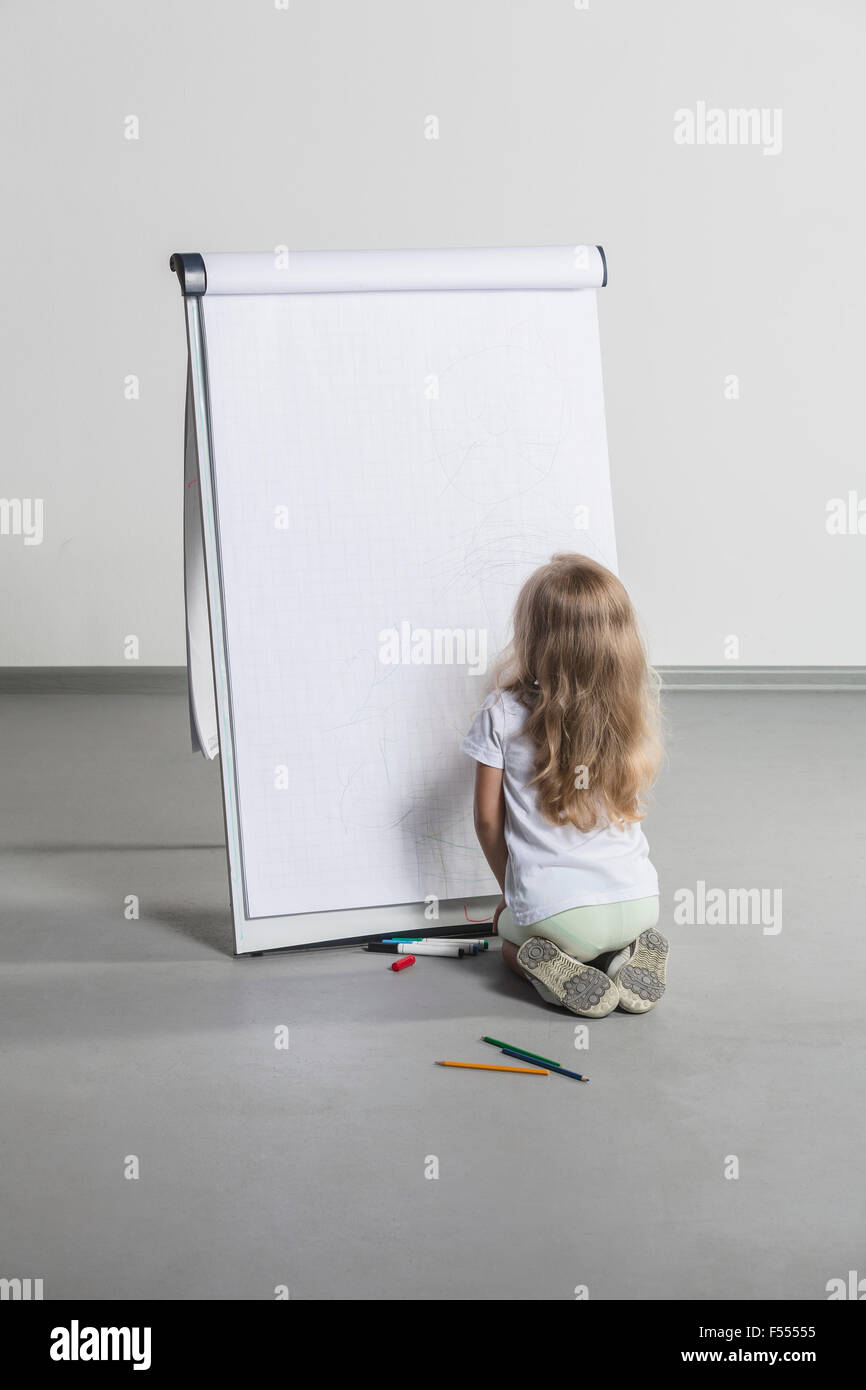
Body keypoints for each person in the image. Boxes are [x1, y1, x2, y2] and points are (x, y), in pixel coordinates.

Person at [461, 553, 667, 1018]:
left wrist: (511, 897)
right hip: (638, 900)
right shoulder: (628, 714)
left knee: (511, 938)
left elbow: (487, 820)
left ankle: (553, 971)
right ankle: (626, 953)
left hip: (559, 916)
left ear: (534, 637)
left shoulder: (502, 713)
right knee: (609, 928)